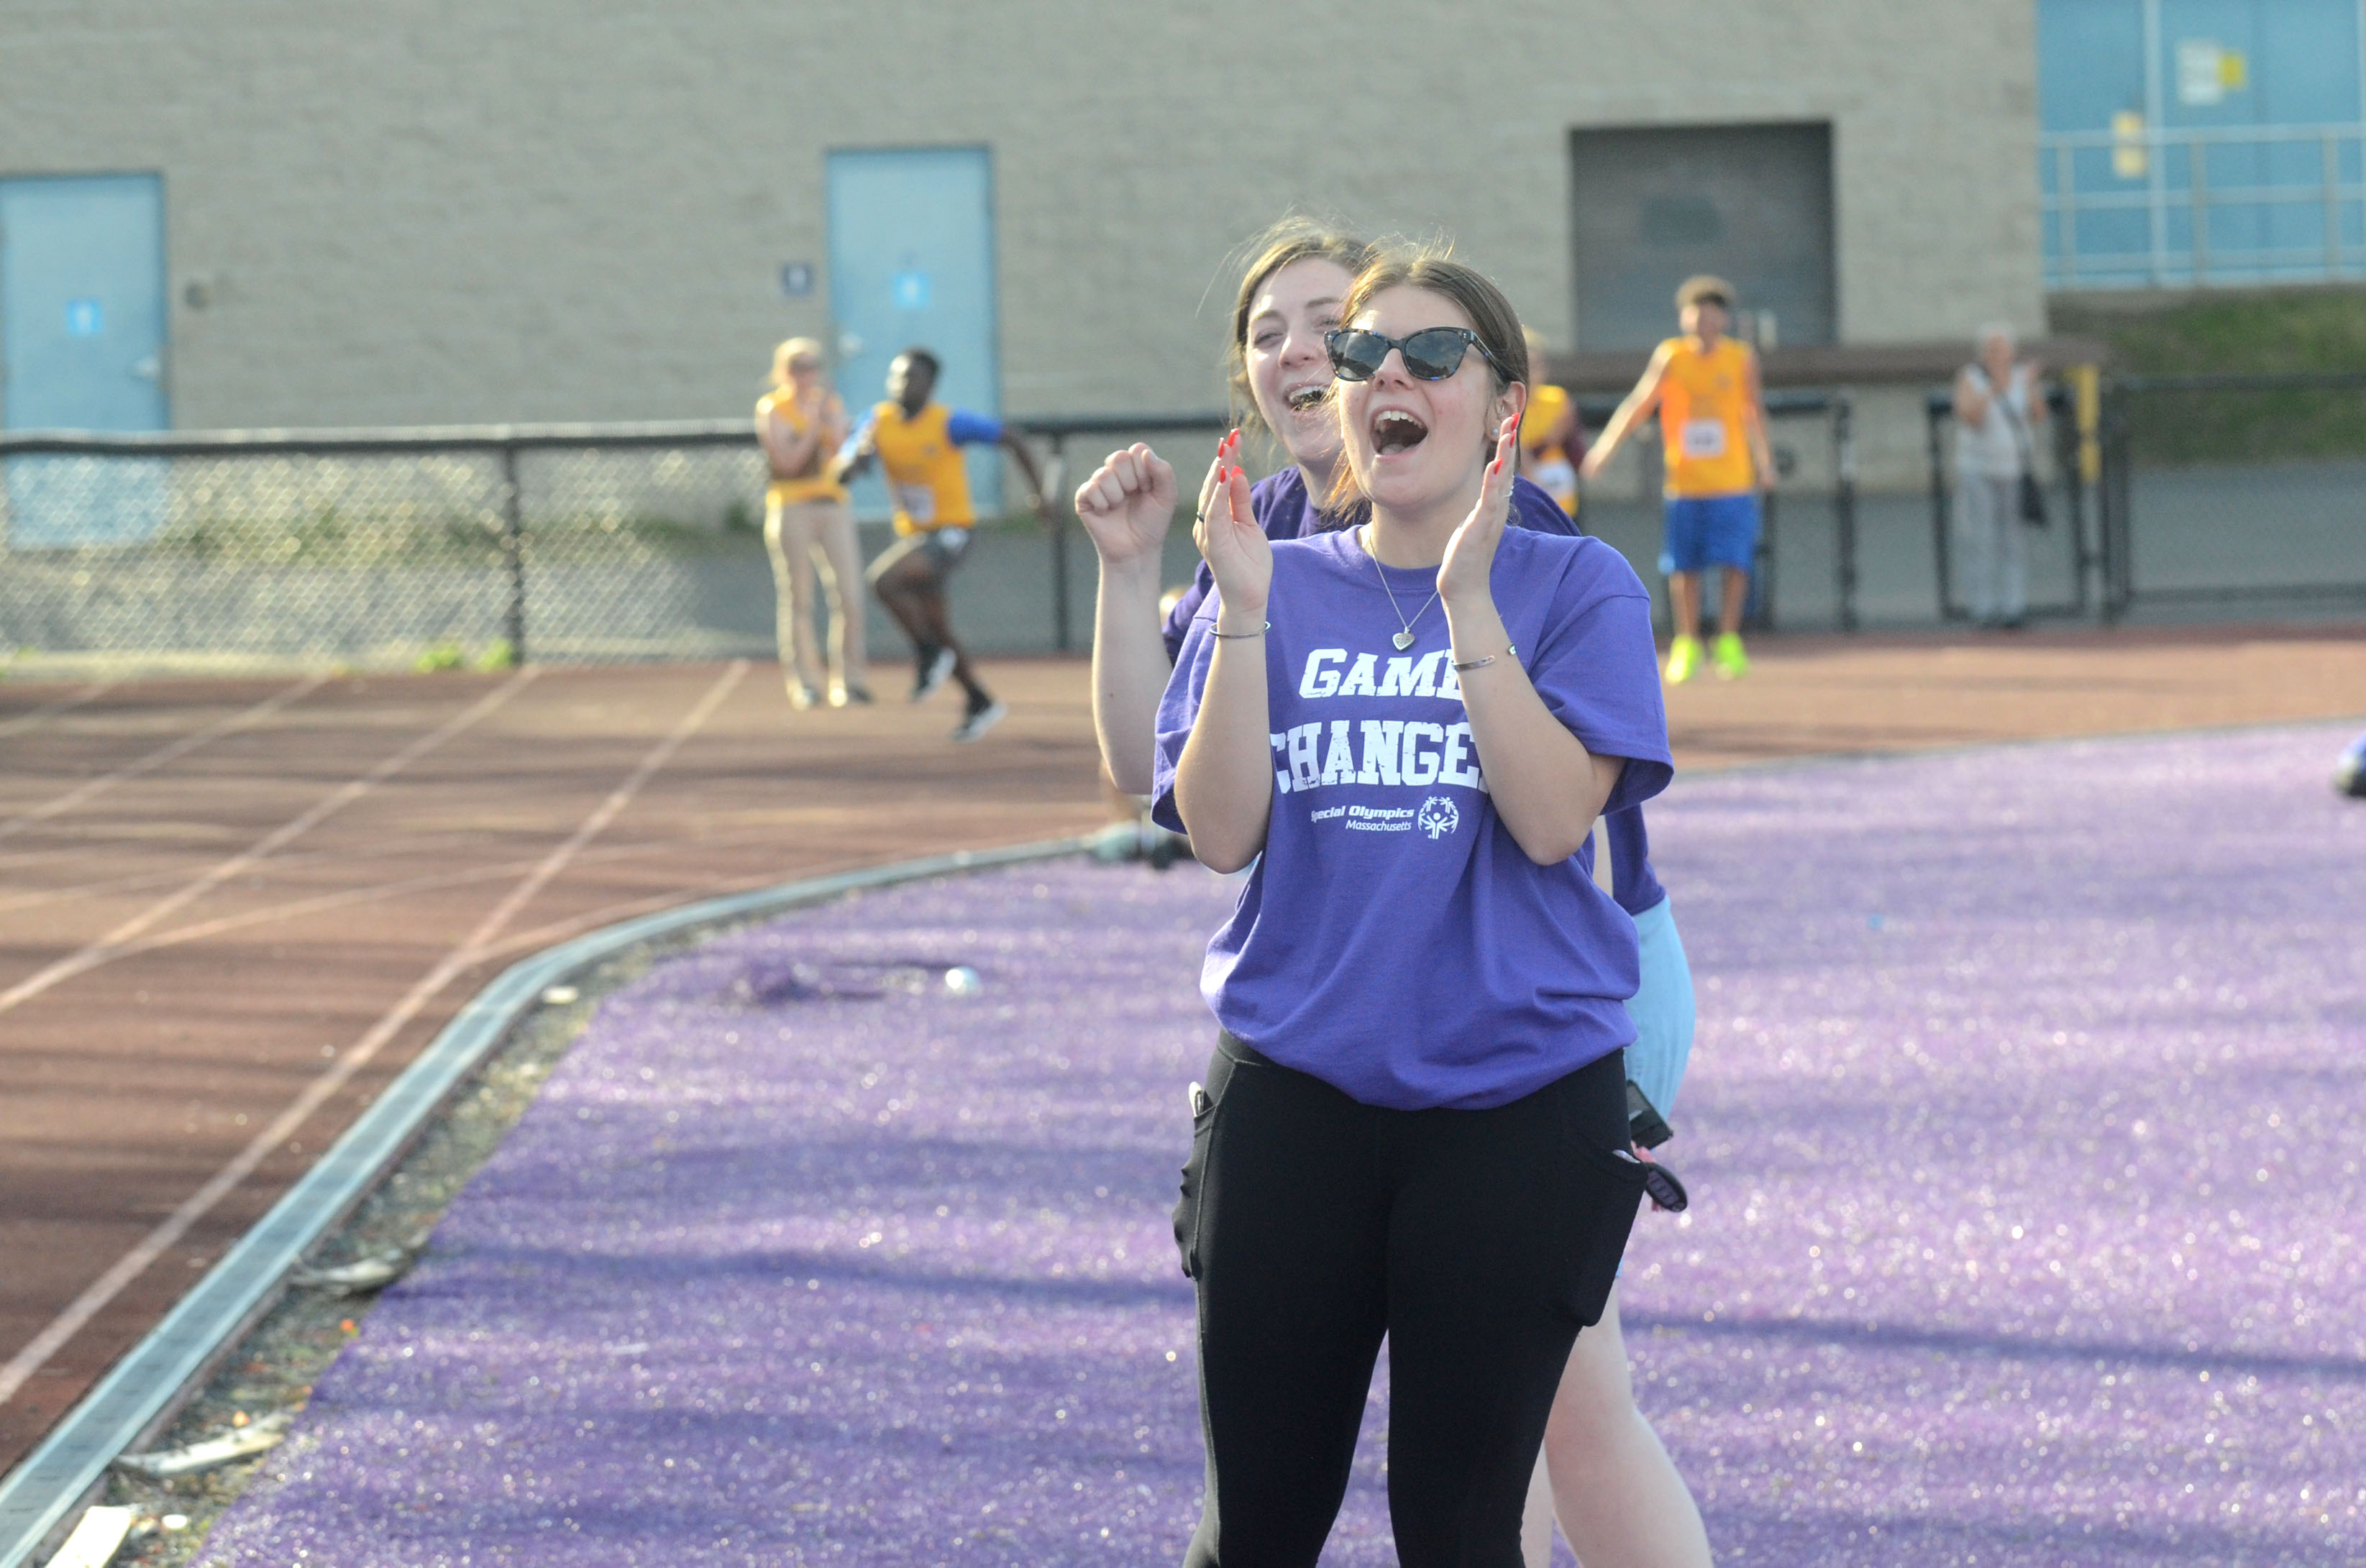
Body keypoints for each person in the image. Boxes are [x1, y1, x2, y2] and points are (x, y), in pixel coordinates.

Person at [1075, 219, 1711, 1568]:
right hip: (1296, 1098)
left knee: (1464, 1528)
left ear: (1499, 407)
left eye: (1434, 353)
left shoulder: (1575, 585)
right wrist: (1240, 615)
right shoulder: (1277, 581)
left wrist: (1469, 602)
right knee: (1255, 1526)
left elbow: (1550, 822)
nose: (1388, 375)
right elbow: (1217, 829)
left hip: (1515, 1111)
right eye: (1369, 353)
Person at [831, 347, 1056, 741]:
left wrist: (1039, 497)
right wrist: (857, 461)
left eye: (911, 377)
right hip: (915, 535)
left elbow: (1014, 440)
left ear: (931, 385)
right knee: (938, 626)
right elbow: (841, 471)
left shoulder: (949, 423)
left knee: (884, 581)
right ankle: (978, 699)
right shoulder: (877, 422)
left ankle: (927, 654)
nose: (902, 385)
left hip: (953, 531)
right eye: (896, 376)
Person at [1581, 275, 1772, 684]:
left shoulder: (1740, 359)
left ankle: (1728, 639)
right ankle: (1687, 642)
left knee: (1736, 563)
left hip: (1732, 482)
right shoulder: (1671, 357)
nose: (1702, 319)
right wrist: (1605, 449)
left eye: (1710, 311)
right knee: (1684, 565)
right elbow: (1639, 404)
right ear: (1684, 317)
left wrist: (1765, 462)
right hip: (1685, 484)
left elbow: (1755, 414)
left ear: (1723, 318)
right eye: (1694, 311)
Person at [754, 339, 869, 708]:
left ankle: (849, 680)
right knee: (798, 597)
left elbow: (841, 454)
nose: (808, 375)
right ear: (784, 372)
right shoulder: (773, 409)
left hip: (832, 506)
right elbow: (789, 463)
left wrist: (834, 425)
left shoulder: (830, 405)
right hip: (793, 508)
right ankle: (804, 681)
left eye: (813, 366)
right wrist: (812, 425)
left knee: (850, 595)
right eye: (799, 367)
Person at [1952, 324, 2047, 630]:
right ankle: (1982, 608)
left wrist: (2031, 385)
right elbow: (1970, 417)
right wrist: (1993, 389)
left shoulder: (2022, 377)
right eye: (1992, 350)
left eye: (2002, 349)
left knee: (2012, 539)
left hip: (2013, 469)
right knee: (1980, 537)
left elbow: (2038, 415)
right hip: (1978, 468)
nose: (1998, 355)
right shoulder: (1971, 377)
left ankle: (2013, 606)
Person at [1518, 327, 1585, 518]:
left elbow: (1568, 440)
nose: (1534, 372)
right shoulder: (1510, 405)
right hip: (1528, 493)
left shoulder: (1558, 398)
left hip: (1562, 490)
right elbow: (1519, 451)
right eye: (1528, 365)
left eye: (1538, 365)